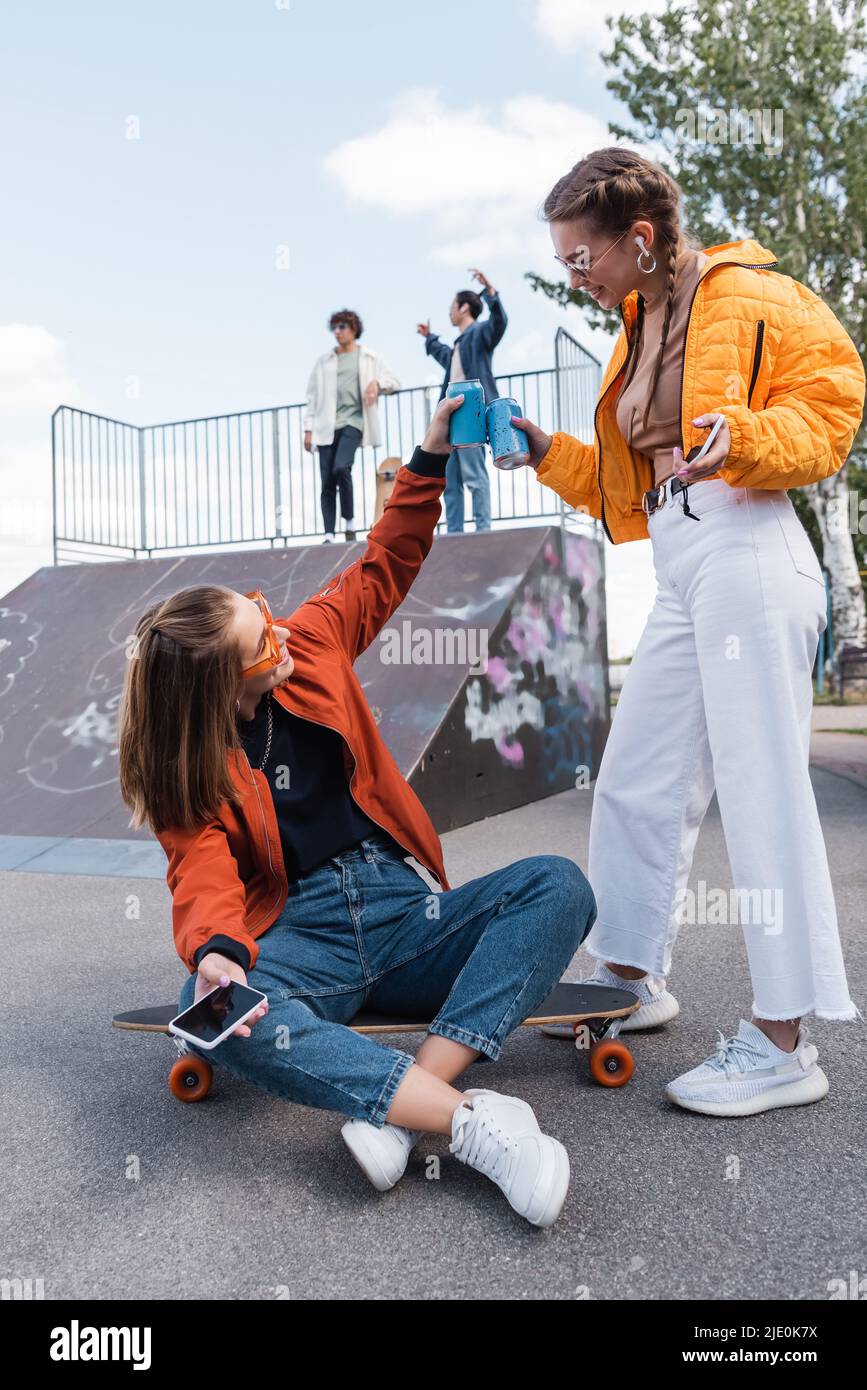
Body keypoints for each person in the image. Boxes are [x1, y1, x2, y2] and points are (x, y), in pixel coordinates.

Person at [117, 394, 597, 1228]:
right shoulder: (186, 772)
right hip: (301, 938)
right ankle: (469, 1125)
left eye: (265, 614)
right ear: (219, 690)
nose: (280, 635)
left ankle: (406, 1106)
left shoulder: (312, 644)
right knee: (222, 1017)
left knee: (556, 886)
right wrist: (218, 956)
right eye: (259, 643)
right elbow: (199, 874)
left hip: (405, 911)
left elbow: (384, 562)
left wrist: (430, 455)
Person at [511, 146, 865, 1117]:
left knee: (761, 791)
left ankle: (786, 1040)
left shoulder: (755, 291)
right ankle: (629, 974)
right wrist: (541, 449)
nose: (573, 277)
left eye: (582, 259)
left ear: (639, 237)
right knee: (637, 777)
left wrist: (747, 439)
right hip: (679, 557)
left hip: (748, 545)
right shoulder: (636, 326)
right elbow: (626, 482)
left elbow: (833, 405)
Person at [417, 268, 507, 534]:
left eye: (452, 307)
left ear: (464, 307)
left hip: (470, 413)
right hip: (451, 414)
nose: (449, 312)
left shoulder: (479, 335)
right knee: (450, 478)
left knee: (474, 475)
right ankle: (454, 533)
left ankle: (482, 531)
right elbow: (446, 357)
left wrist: (490, 291)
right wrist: (429, 338)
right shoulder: (459, 345)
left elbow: (499, 323)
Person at [303, 310, 400, 542]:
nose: (337, 332)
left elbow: (395, 383)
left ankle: (349, 523)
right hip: (325, 426)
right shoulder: (324, 361)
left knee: (341, 468)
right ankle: (328, 533)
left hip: (354, 422)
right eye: (334, 328)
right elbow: (312, 396)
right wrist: (308, 429)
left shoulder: (369, 357)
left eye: (342, 327)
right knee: (326, 480)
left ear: (354, 329)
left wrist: (377, 383)